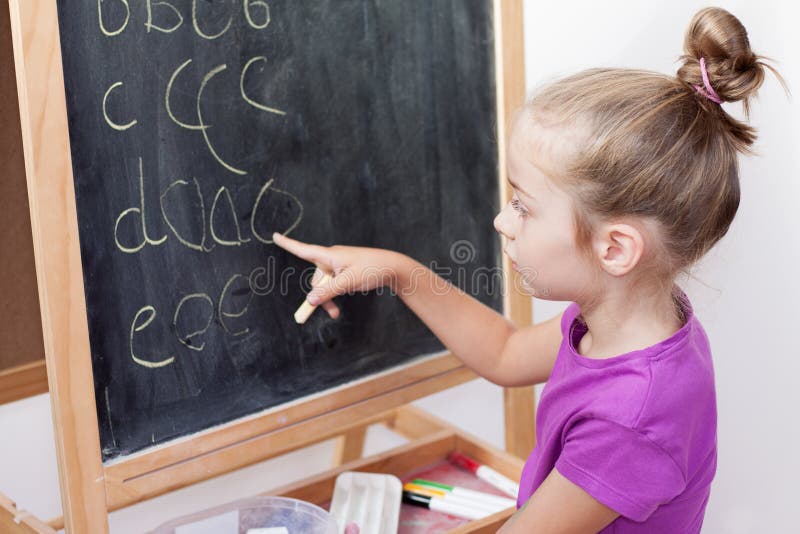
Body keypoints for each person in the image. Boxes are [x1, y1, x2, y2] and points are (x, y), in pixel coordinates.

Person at [273, 7, 786, 532]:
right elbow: (505, 352)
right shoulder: (617, 323)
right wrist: (398, 272)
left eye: (523, 205)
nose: (501, 220)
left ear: (614, 249)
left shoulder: (633, 418)